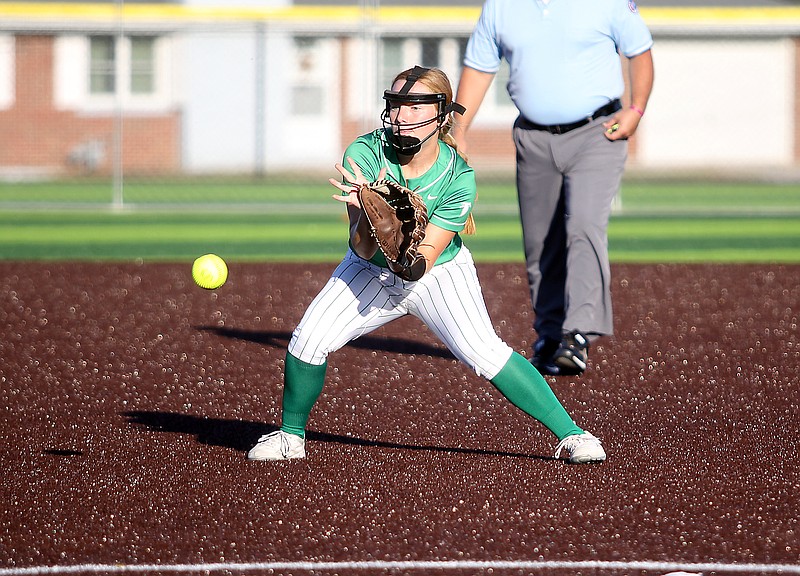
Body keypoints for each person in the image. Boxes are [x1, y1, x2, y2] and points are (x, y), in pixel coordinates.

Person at [247, 66, 605, 464]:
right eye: (396, 106)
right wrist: (368, 219)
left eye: (413, 108)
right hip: (369, 270)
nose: (400, 116)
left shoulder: (459, 177)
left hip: (438, 275)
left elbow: (422, 262)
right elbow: (363, 249)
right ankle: (290, 436)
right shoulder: (364, 154)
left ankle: (573, 434)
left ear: (442, 116)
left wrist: (401, 243)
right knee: (307, 342)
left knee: (485, 353)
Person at [452, 0, 655, 376]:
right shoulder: (500, 6)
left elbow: (640, 52)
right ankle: (548, 336)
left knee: (583, 226)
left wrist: (636, 109)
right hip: (532, 136)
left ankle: (577, 334)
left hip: (598, 132)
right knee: (540, 240)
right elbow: (480, 68)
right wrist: (460, 129)